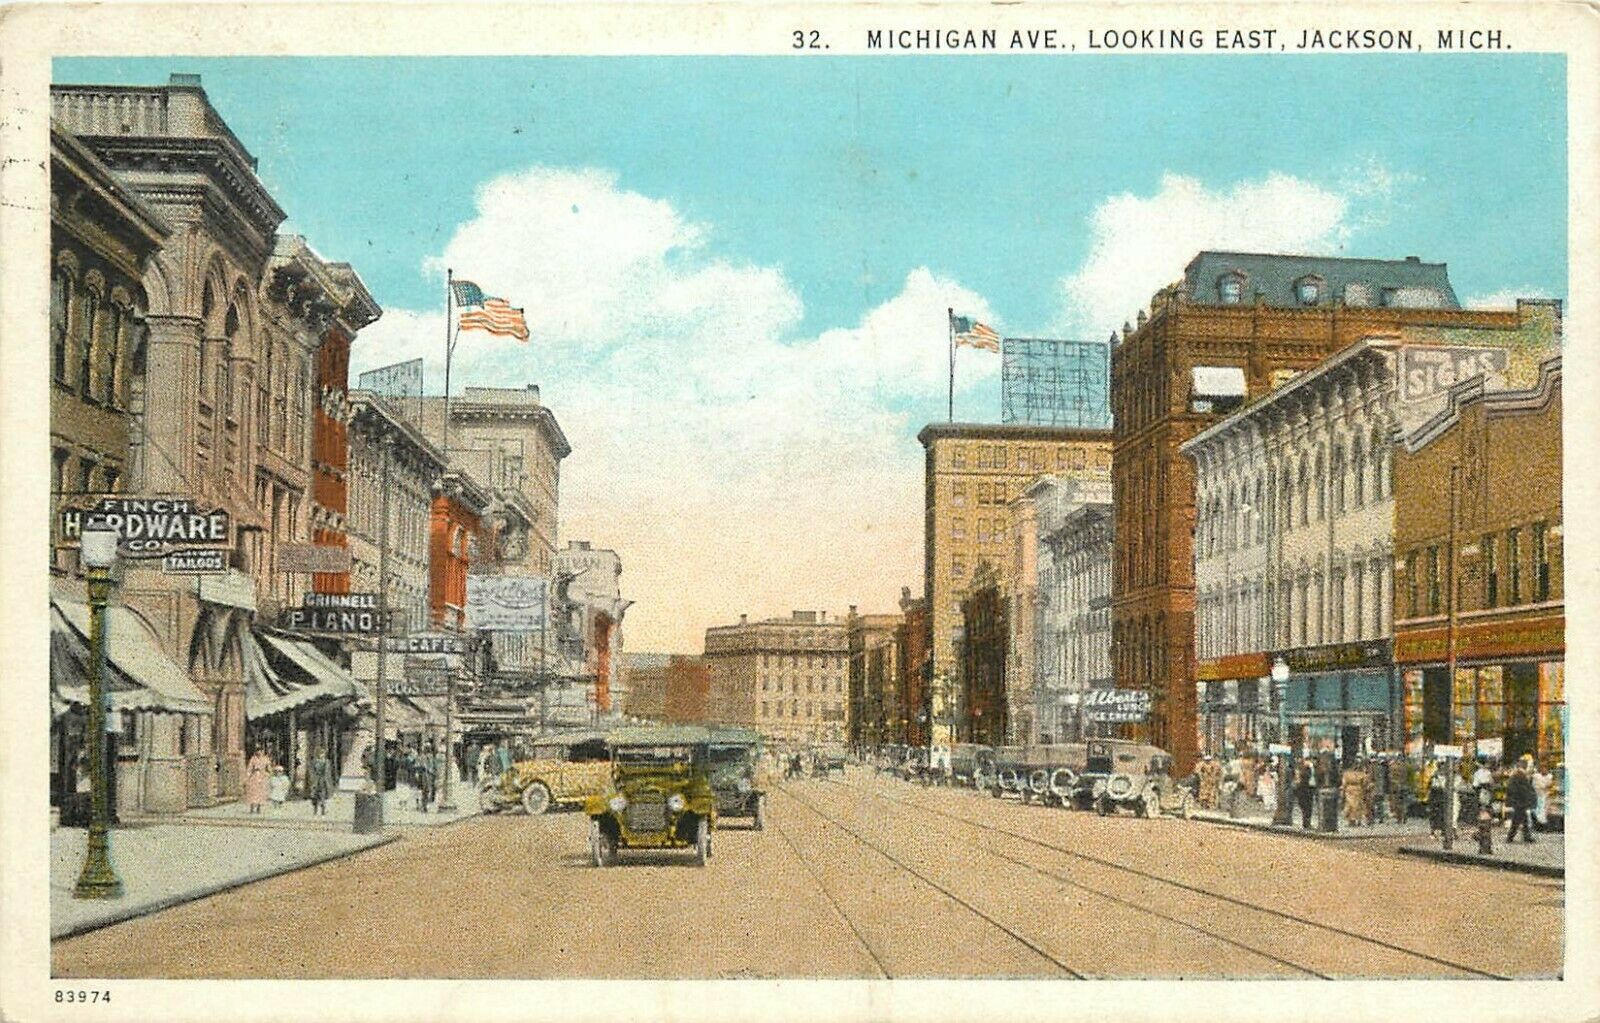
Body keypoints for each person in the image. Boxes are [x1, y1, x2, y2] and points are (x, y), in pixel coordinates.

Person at [1506, 762, 1537, 843]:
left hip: (1519, 801)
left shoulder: (1515, 776)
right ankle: (1511, 837)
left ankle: (1522, 836)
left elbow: (1511, 789)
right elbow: (1524, 789)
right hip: (1520, 801)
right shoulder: (1520, 776)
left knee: (1522, 819)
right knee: (1518, 820)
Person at [307, 745, 335, 816]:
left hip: (323, 780)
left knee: (323, 795)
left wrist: (328, 781)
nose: (321, 755)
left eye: (322, 754)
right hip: (316, 780)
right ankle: (315, 810)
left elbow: (328, 772)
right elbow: (312, 771)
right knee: (315, 795)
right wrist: (312, 779)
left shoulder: (326, 762)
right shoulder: (315, 762)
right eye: (320, 753)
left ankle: (323, 810)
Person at [244, 747, 272, 814]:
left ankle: (258, 808)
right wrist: (248, 776)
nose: (259, 752)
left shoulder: (265, 759)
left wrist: (267, 774)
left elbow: (269, 769)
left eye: (261, 751)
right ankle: (252, 807)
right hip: (254, 776)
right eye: (258, 751)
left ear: (263, 751)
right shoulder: (253, 759)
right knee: (253, 792)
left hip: (262, 776)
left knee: (260, 792)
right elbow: (249, 768)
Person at [1295, 759, 1317, 829]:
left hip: (1310, 788)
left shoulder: (1312, 768)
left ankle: (1307, 823)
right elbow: (1302, 778)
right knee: (1305, 807)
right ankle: (1306, 823)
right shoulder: (1304, 769)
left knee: (1308, 807)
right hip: (1304, 789)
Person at [1532, 760, 1554, 829]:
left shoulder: (1550, 776)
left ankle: (1543, 825)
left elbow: (1549, 785)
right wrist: (1544, 786)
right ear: (1540, 769)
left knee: (1544, 811)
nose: (1544, 770)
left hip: (1545, 796)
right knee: (1538, 811)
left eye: (1545, 768)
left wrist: (1545, 787)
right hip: (1538, 796)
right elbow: (1537, 786)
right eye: (1542, 768)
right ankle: (1538, 825)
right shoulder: (1536, 776)